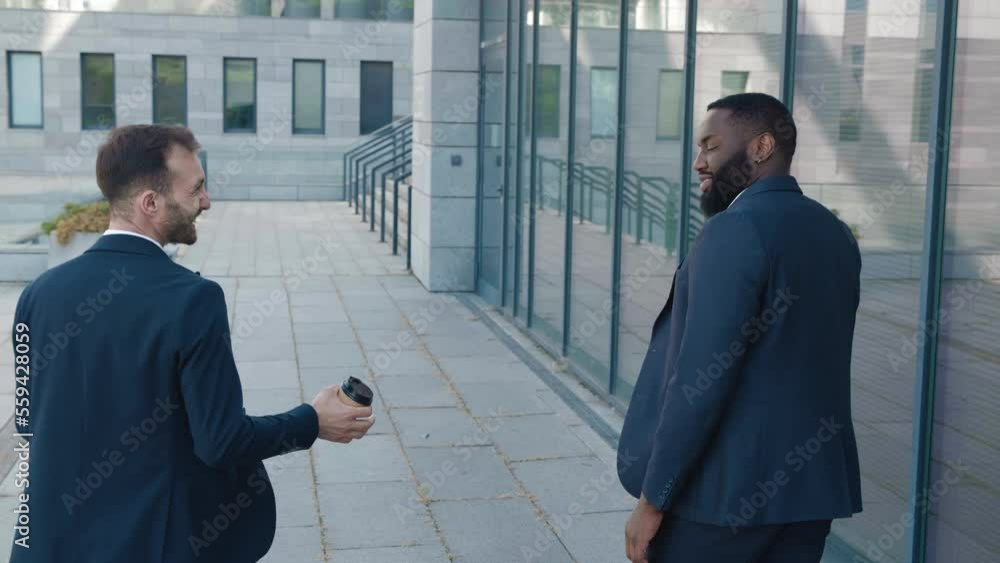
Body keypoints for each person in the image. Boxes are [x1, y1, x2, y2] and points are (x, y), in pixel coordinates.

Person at [10, 125, 375, 562]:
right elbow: (221, 443)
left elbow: (30, 424)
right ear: (150, 202)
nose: (206, 200)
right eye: (196, 188)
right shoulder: (193, 300)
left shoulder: (37, 294)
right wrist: (312, 421)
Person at [618, 93, 863, 563]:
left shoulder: (733, 230)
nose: (698, 163)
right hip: (809, 497)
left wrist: (653, 500)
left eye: (710, 146)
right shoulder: (835, 233)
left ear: (761, 146)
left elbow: (699, 383)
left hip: (722, 502)